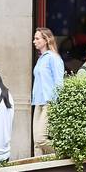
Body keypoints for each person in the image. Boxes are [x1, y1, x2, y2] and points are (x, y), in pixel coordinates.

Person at [32, 27, 64, 157]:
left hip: (49, 102)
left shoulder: (53, 58)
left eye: (37, 38)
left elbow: (59, 82)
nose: (34, 41)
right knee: (36, 143)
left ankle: (64, 152)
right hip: (38, 103)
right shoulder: (41, 59)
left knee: (41, 139)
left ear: (46, 40)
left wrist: (57, 103)